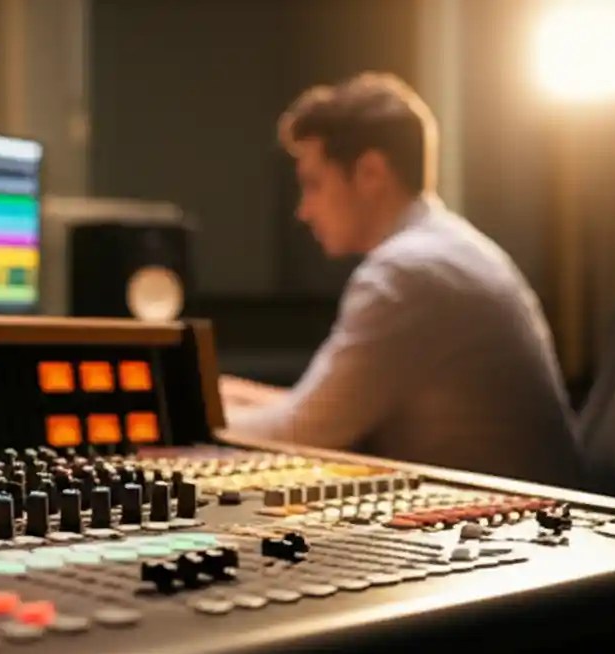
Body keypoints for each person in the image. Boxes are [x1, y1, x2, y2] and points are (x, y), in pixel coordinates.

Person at [220, 72, 584, 486]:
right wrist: (233, 394)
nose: (304, 210)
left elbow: (301, 431)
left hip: (509, 534)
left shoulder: (405, 275)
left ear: (371, 173)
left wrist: (182, 413)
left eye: (313, 184)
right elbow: (322, 407)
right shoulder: (446, 248)